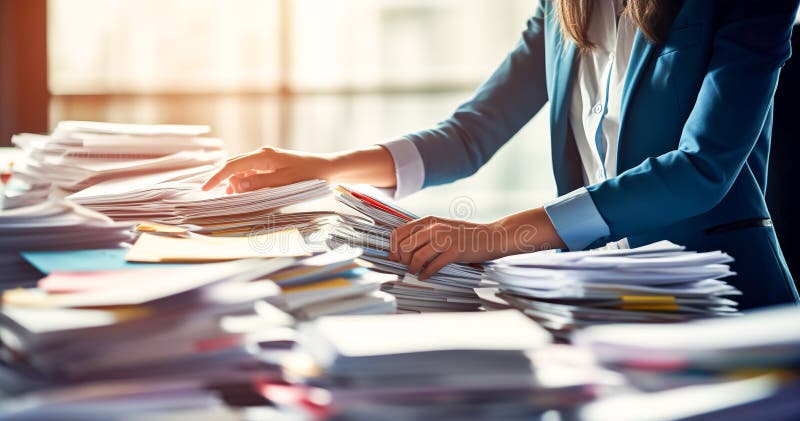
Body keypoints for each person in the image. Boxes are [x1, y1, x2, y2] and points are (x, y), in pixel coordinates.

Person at [202, 0, 800, 309]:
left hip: (724, 300)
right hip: (604, 301)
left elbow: (701, 170)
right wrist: (326, 167)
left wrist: (500, 235)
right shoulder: (562, 8)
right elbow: (470, 135)